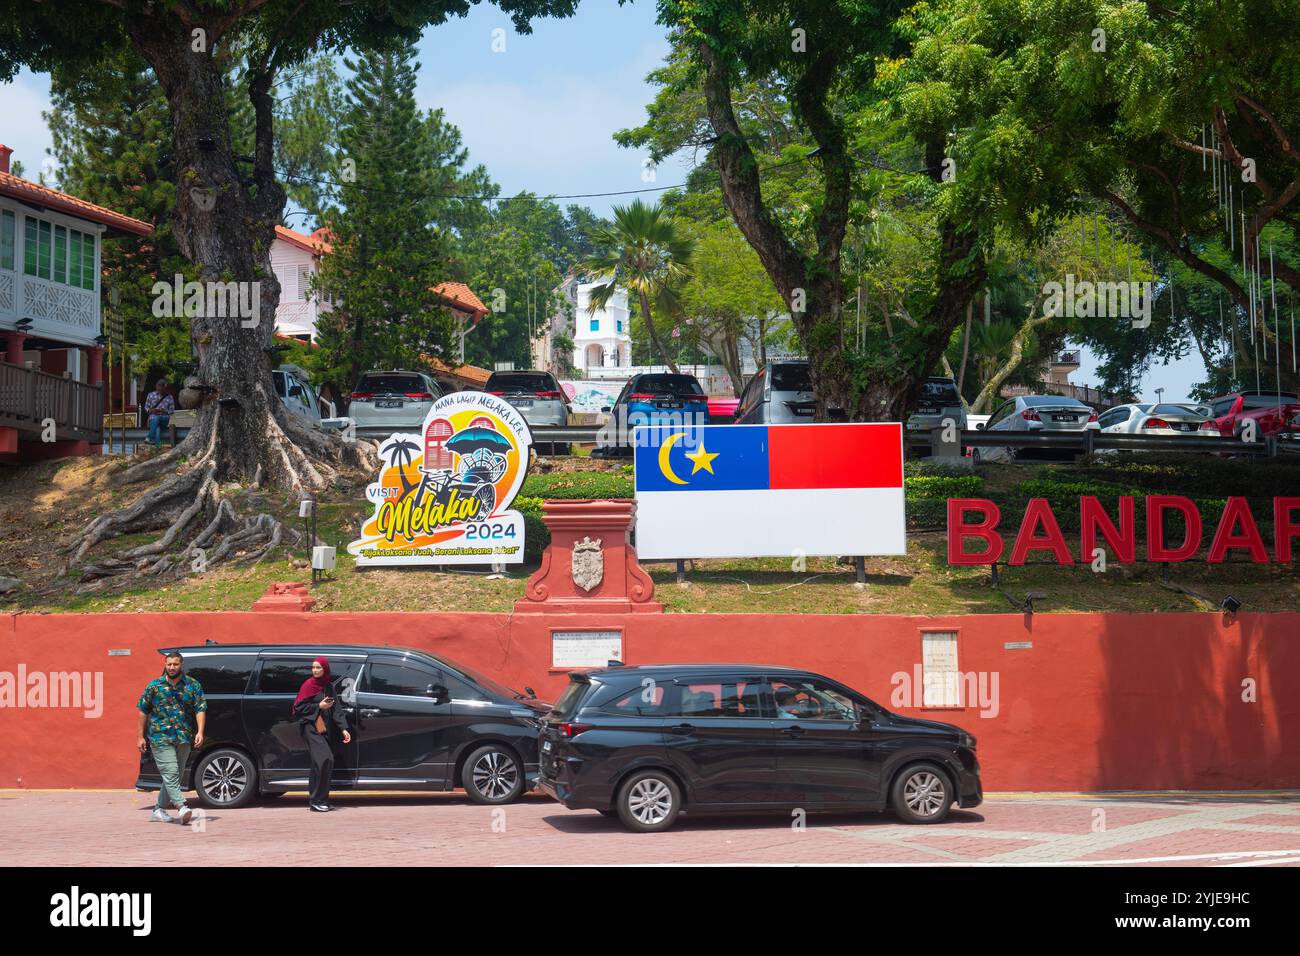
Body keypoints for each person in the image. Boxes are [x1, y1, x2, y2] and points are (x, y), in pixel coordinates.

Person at [137, 652, 206, 825]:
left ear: (181, 664)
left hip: (183, 736)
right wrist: (140, 737)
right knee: (171, 772)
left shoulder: (192, 685)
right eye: (169, 664)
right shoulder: (154, 686)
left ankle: (158, 809)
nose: (172, 667)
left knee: (175, 775)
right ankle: (181, 806)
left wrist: (200, 732)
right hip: (160, 737)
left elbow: (200, 708)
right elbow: (142, 711)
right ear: (165, 664)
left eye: (175, 664)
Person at [291, 657, 352, 811]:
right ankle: (318, 800)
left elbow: (336, 709)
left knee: (317, 764)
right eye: (313, 667)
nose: (315, 670)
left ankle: (319, 800)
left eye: (318, 668)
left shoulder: (328, 686)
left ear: (325, 669)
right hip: (310, 728)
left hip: (324, 729)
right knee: (325, 759)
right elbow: (299, 708)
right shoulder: (308, 685)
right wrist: (319, 705)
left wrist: (343, 728)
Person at [143, 379, 175, 448]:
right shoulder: (150, 395)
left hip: (164, 419)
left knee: (158, 417)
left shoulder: (169, 397)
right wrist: (151, 410)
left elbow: (172, 411)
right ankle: (158, 447)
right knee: (157, 429)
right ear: (156, 386)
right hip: (153, 419)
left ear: (164, 388)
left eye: (162, 388)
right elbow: (146, 407)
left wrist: (165, 411)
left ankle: (149, 437)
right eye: (158, 387)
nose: (160, 389)